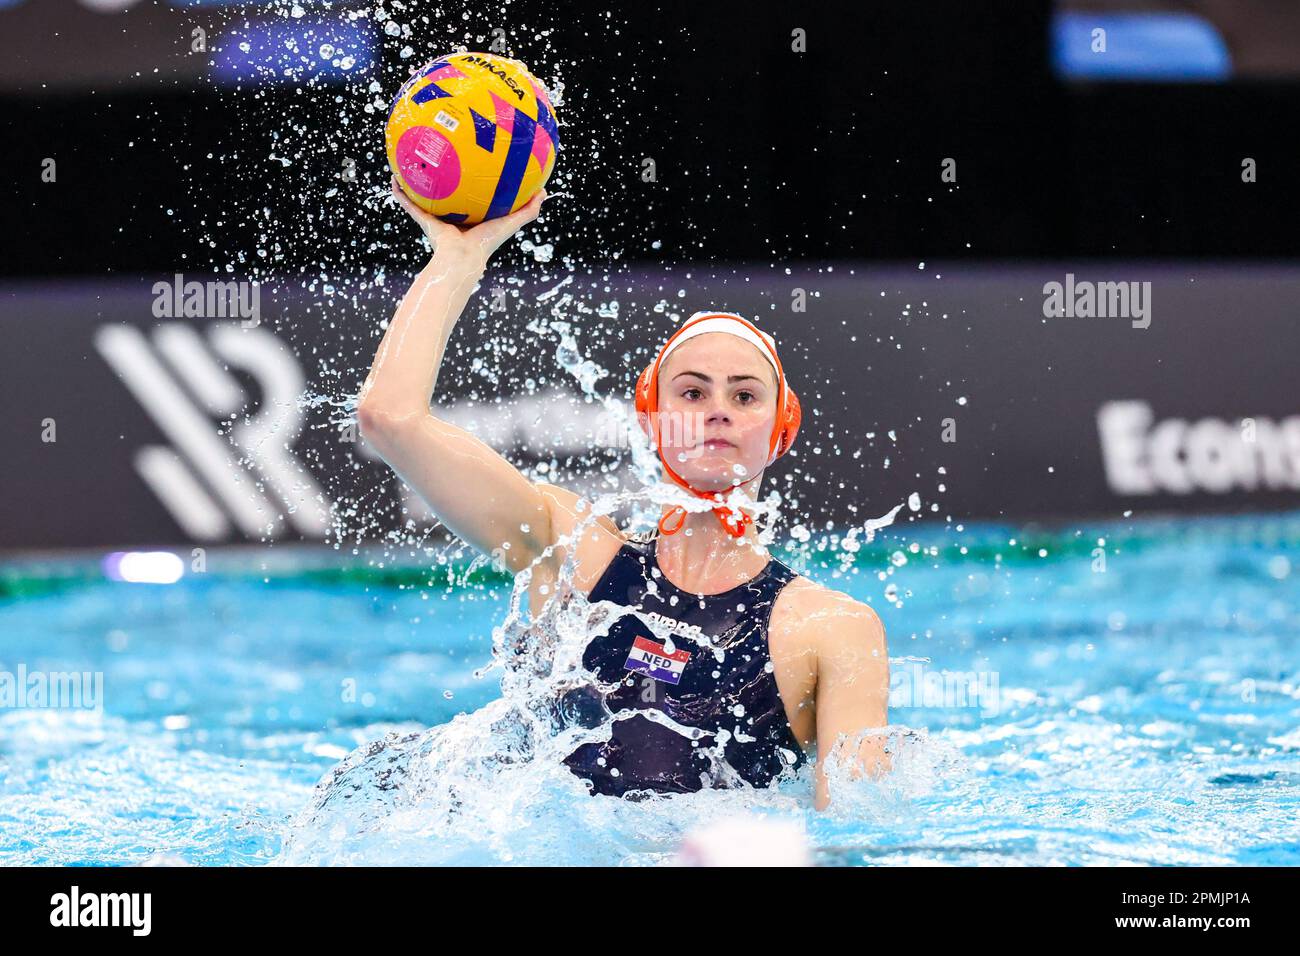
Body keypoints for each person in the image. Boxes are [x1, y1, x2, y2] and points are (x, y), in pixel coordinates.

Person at [357, 179, 891, 810]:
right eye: (692, 392)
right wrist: (457, 260)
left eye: (744, 396)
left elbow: (859, 835)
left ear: (781, 429)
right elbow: (389, 419)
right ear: (650, 416)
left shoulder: (831, 627)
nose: (717, 411)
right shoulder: (570, 550)